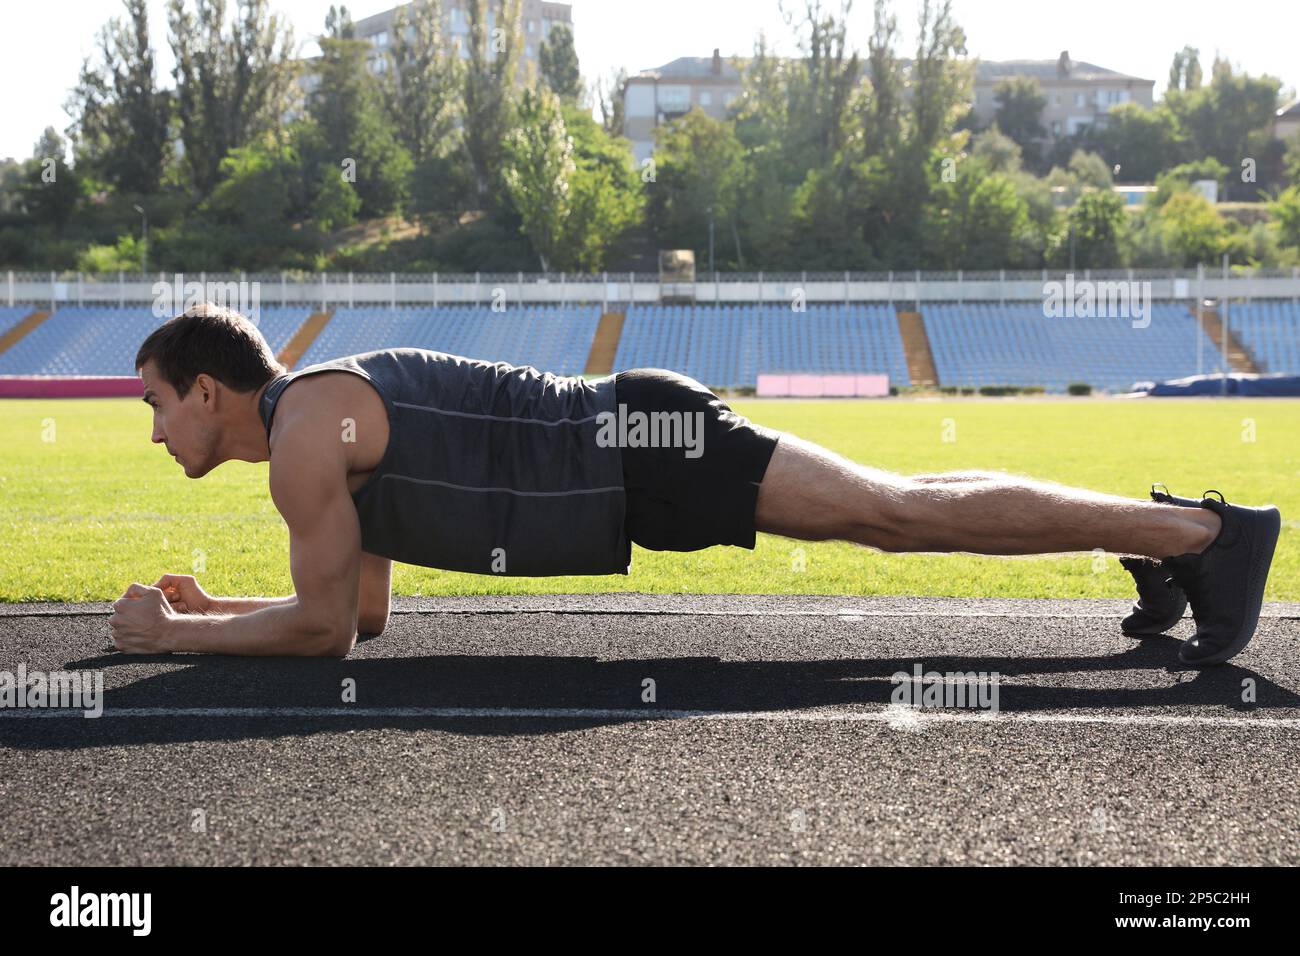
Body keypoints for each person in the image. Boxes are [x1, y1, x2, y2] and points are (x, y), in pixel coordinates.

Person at [110, 303, 1281, 667]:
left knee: (897, 513)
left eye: (157, 402)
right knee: (900, 501)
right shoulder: (319, 421)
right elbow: (359, 614)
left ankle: (1202, 531)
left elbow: (321, 633)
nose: (155, 431)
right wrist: (213, 613)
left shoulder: (308, 424)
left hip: (638, 446)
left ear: (209, 388)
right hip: (633, 453)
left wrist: (169, 638)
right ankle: (1171, 530)